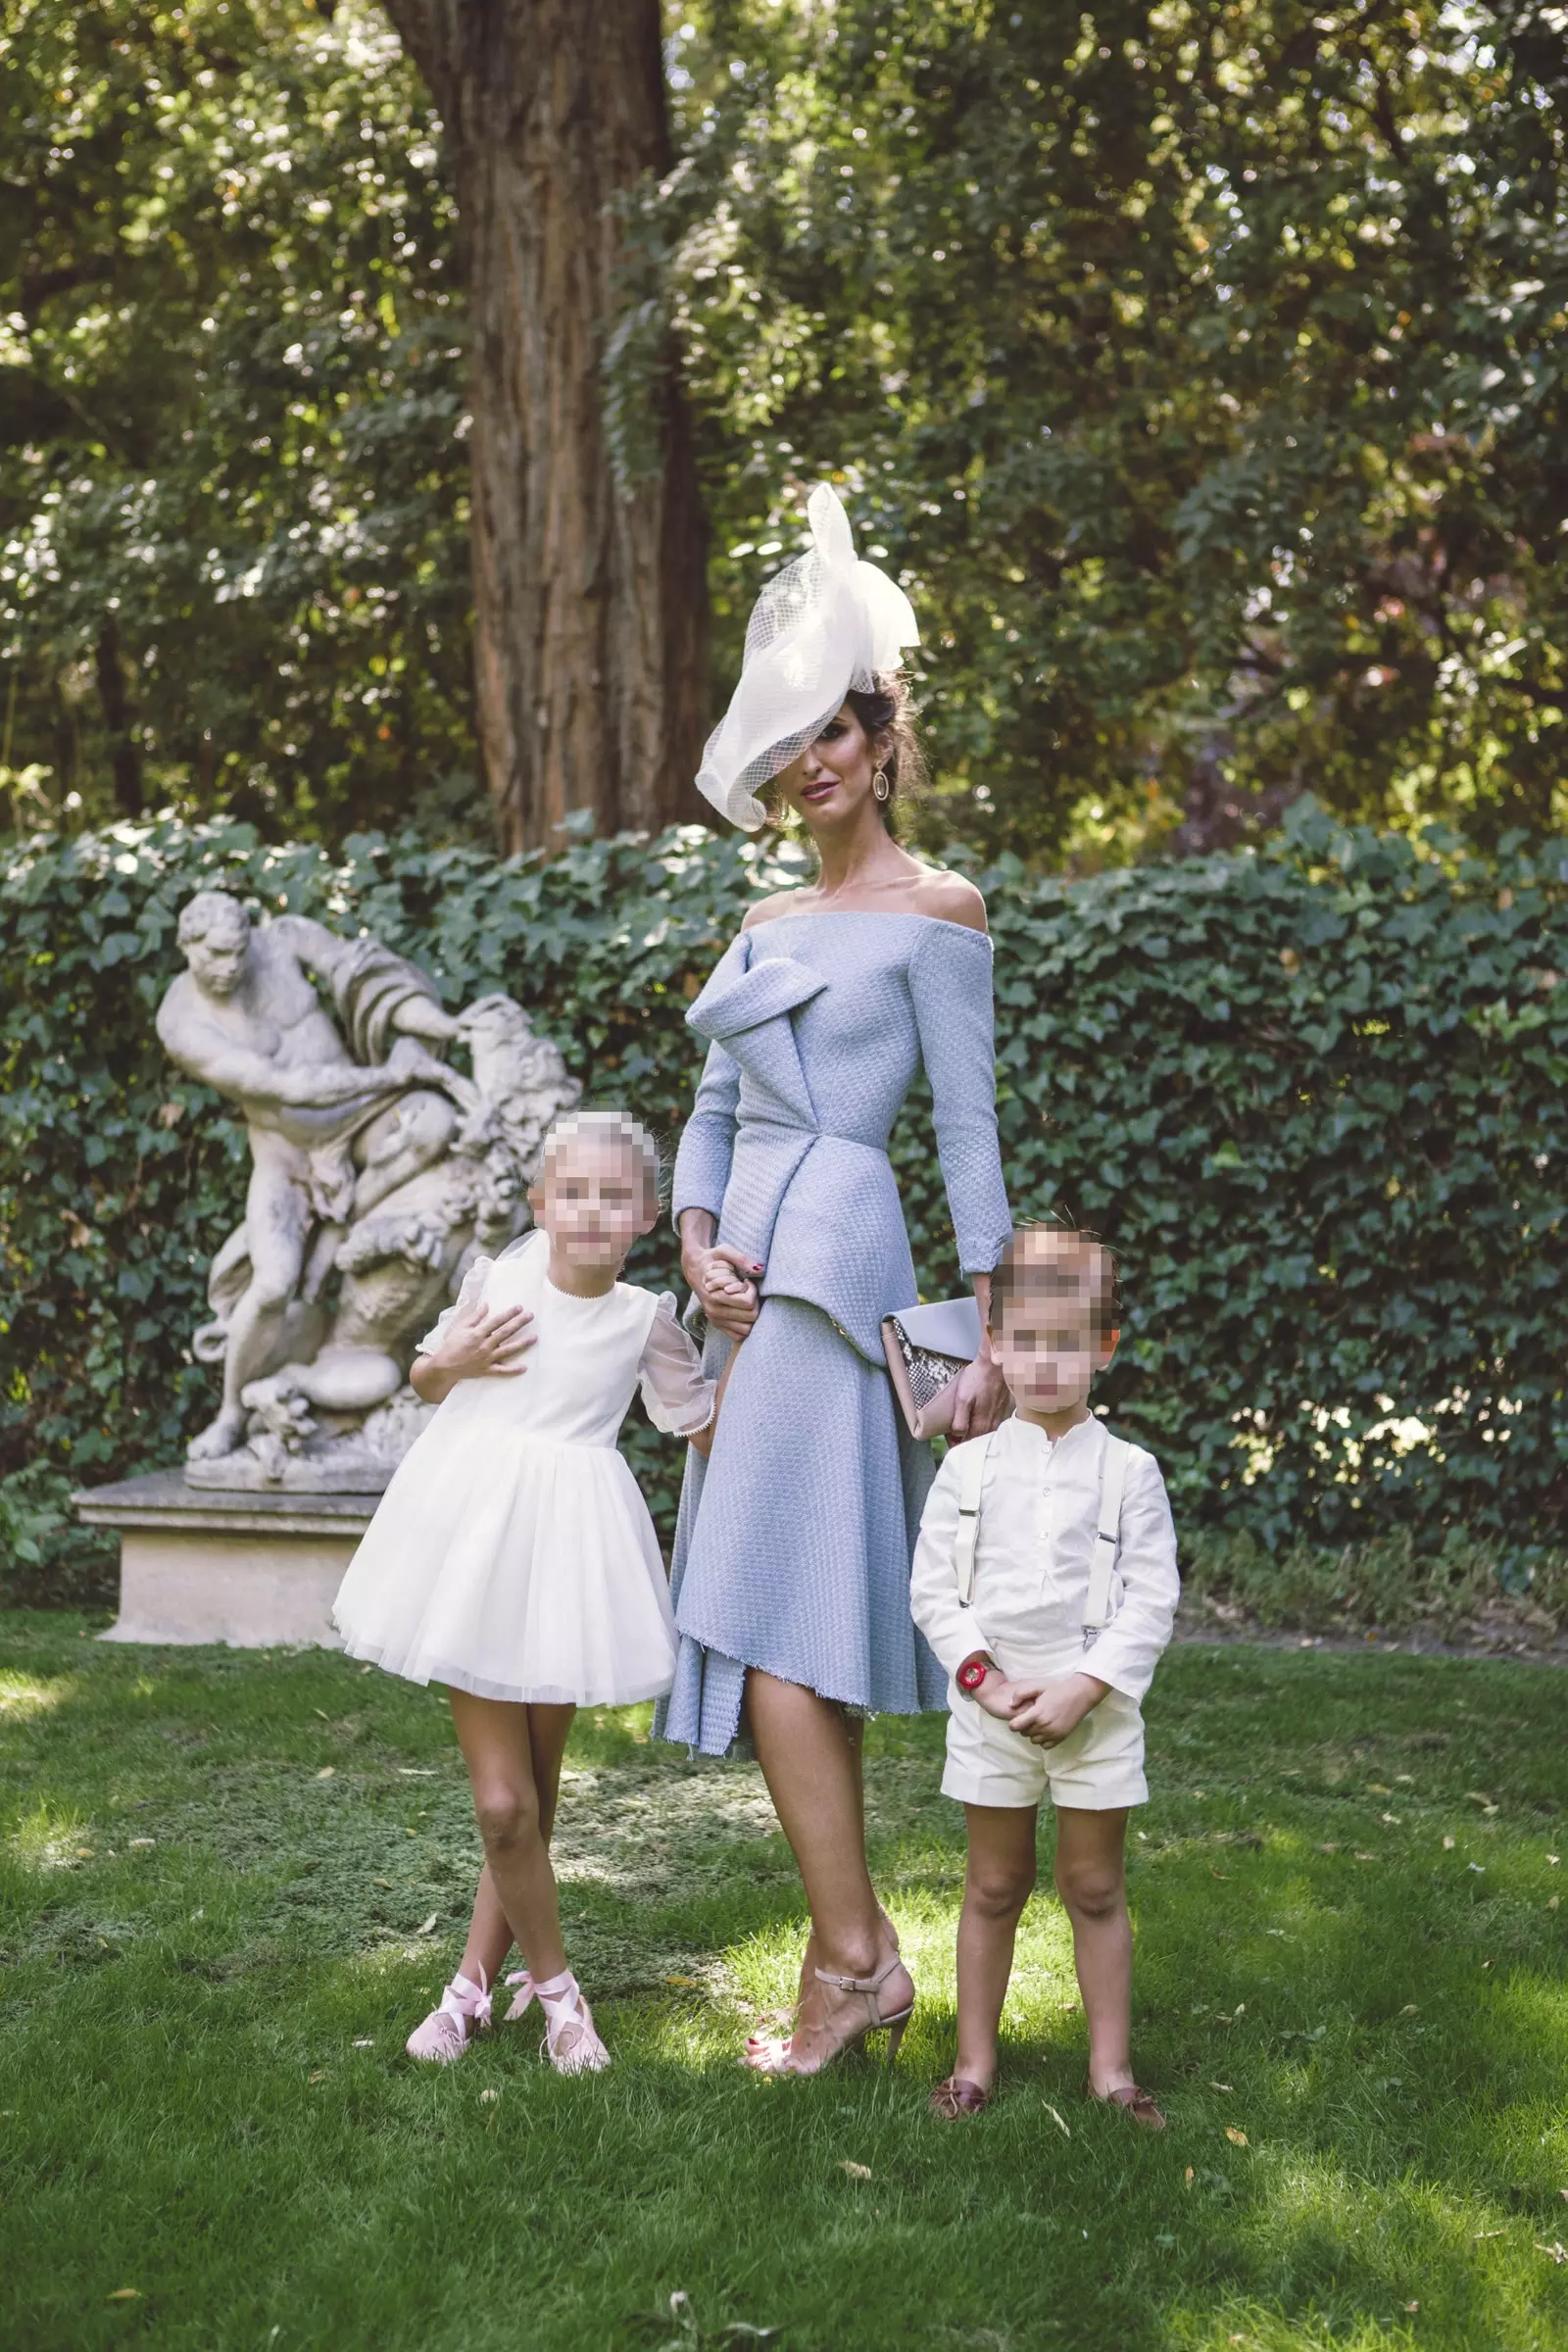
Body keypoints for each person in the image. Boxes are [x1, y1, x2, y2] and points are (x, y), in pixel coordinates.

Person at [658, 483, 1014, 2075]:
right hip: (748, 1302)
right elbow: (716, 1113)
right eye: (790, 740)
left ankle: (854, 1960)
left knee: (776, 1644)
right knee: (782, 1633)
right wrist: (691, 1242)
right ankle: (853, 1952)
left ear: (881, 740)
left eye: (838, 733)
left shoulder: (940, 914)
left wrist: (992, 1328)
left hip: (847, 1285)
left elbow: (967, 1138)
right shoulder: (760, 918)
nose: (814, 764)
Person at [332, 1110, 733, 2073]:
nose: (591, 1211)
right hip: (469, 1540)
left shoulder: (643, 1320)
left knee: (534, 1804)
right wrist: (450, 1362)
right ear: (540, 1204)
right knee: (503, 1807)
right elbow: (429, 1376)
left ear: (644, 1213)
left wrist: (745, 1340)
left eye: (613, 1196)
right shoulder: (502, 1277)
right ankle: (559, 1996)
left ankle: (471, 1990)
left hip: (568, 1551)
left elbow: (705, 1427)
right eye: (573, 1193)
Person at [908, 1225, 1179, 2125]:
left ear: (1104, 1347)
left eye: (1069, 1343)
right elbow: (934, 1594)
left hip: (1093, 1712)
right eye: (1025, 1340)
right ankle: (974, 2063)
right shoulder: (968, 1468)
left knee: (1095, 1886)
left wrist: (1083, 1687)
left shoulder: (1131, 1473)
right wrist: (985, 1681)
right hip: (993, 1710)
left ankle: (1111, 2069)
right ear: (995, 1344)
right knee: (992, 1884)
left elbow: (1149, 1600)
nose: (1045, 1362)